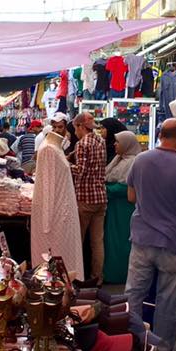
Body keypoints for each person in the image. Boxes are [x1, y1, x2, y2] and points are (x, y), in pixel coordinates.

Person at [125, 118, 176, 351]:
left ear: (160, 135)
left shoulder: (140, 160)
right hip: (172, 241)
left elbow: (131, 197)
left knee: (133, 294)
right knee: (166, 298)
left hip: (142, 237)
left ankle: (133, 345)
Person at [30, 130, 83, 279]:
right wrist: (46, 224)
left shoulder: (56, 148)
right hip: (55, 217)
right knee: (56, 259)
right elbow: (47, 189)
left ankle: (69, 288)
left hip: (63, 213)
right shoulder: (48, 149)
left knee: (67, 256)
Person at [71, 111, 108, 286]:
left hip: (85, 198)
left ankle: (77, 277)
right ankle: (97, 277)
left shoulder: (82, 144)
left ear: (80, 126)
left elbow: (81, 171)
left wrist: (65, 164)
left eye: (75, 128)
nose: (75, 132)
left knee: (78, 240)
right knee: (97, 242)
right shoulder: (101, 140)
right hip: (101, 197)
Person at [102, 130, 141, 284]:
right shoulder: (118, 159)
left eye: (117, 142)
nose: (114, 144)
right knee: (111, 241)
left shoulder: (133, 162)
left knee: (122, 242)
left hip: (125, 208)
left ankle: (120, 275)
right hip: (114, 207)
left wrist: (106, 189)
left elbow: (128, 188)